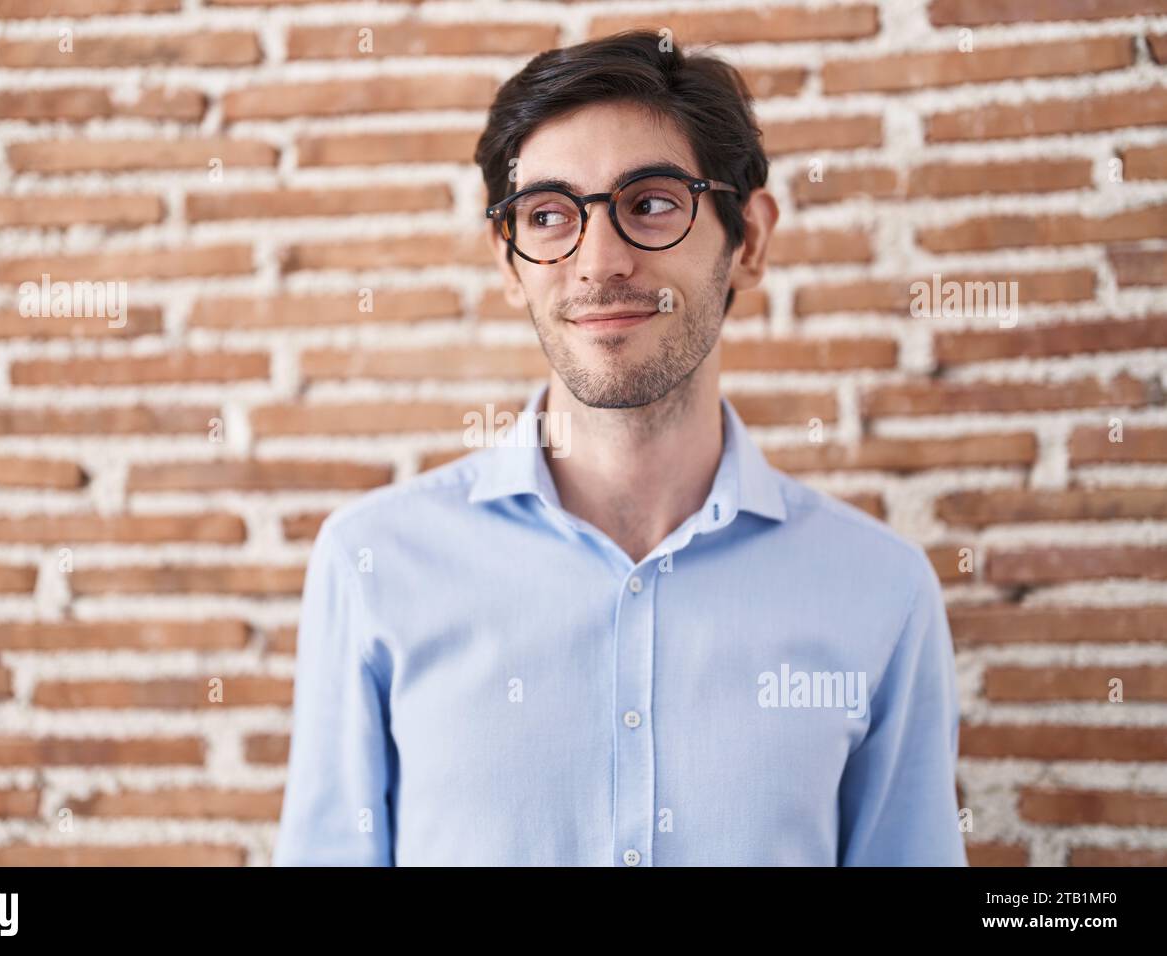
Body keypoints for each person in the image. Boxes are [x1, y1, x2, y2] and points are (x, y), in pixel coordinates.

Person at [273, 30, 968, 866]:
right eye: (549, 216)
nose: (599, 263)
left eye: (650, 202)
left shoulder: (881, 591)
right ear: (509, 260)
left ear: (747, 238)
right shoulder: (372, 565)